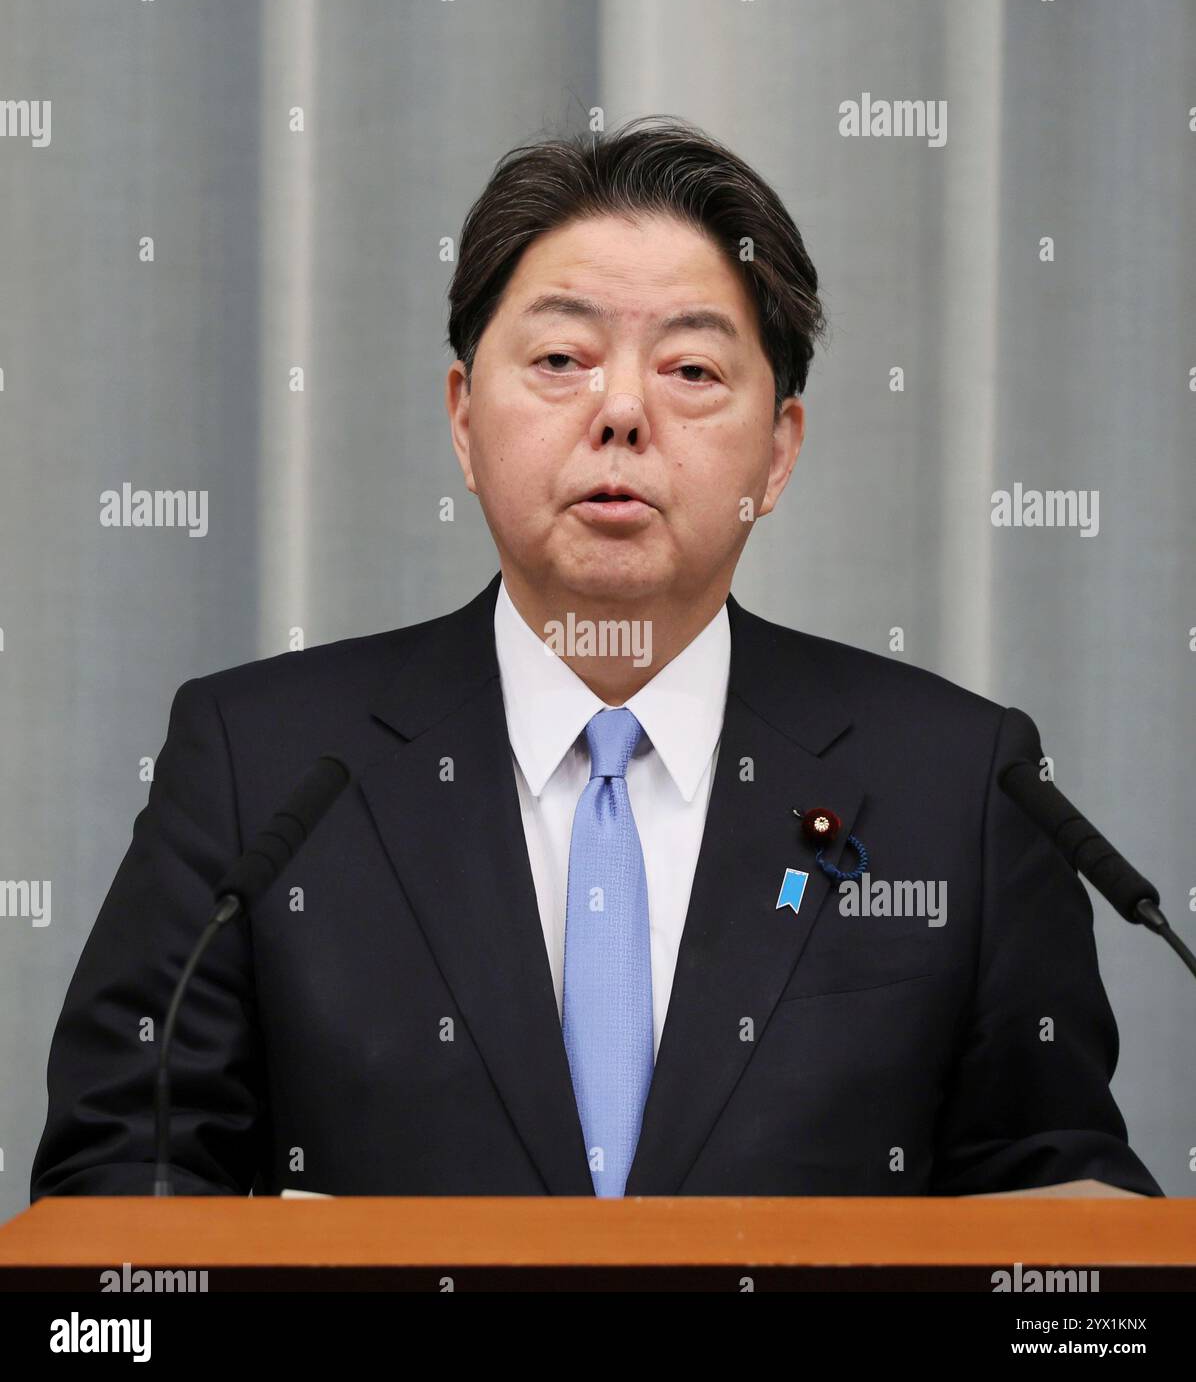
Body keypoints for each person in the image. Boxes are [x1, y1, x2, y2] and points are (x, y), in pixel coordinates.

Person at [30, 116, 1161, 1200]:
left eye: (690, 371)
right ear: (465, 421)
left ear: (776, 453)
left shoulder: (958, 786)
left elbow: (1054, 1201)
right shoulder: (261, 767)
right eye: (563, 357)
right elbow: (122, 1174)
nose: (620, 411)